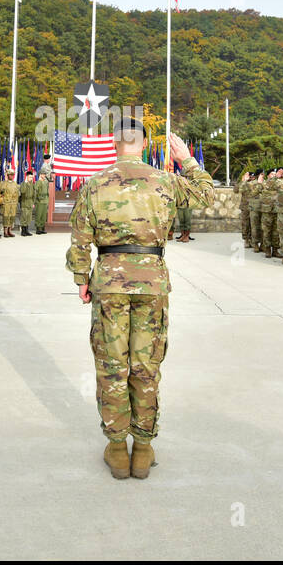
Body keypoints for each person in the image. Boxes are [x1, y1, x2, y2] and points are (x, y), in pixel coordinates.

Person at [67, 122, 213, 480]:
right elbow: (205, 195)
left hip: (110, 284)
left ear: (115, 145)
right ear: (144, 145)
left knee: (112, 366)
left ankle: (118, 449)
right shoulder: (163, 181)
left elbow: (79, 238)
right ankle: (143, 449)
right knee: (146, 367)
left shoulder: (96, 183)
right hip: (152, 285)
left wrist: (81, 280)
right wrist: (187, 160)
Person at [1, 167, 20, 238]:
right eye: (10, 175)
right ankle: (5, 231)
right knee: (6, 217)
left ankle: (9, 230)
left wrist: (16, 201)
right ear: (7, 175)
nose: (11, 176)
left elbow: (17, 193)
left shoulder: (15, 184)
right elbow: (1, 191)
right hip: (6, 203)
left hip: (13, 203)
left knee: (12, 216)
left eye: (12, 175)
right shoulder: (4, 183)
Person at [19, 166, 38, 236]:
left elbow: (34, 194)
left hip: (30, 202)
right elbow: (23, 191)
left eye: (32, 177)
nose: (31, 178)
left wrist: (33, 202)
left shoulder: (32, 184)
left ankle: (26, 230)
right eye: (30, 177)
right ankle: (23, 231)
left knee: (29, 217)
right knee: (24, 216)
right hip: (24, 202)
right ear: (27, 177)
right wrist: (25, 182)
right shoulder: (23, 184)